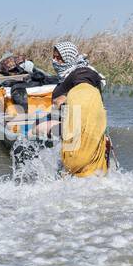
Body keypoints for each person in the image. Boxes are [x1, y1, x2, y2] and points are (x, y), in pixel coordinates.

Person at [48, 41, 110, 177]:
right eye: (53, 57)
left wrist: (65, 99)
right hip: (74, 126)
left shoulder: (81, 72)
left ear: (69, 58)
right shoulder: (67, 75)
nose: (54, 61)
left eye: (59, 58)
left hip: (77, 129)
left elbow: (85, 85)